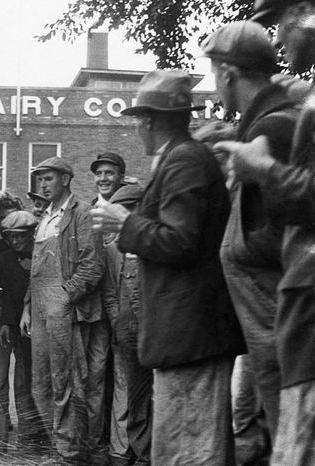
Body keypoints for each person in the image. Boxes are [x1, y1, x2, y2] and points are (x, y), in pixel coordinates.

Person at [92, 70, 245, 465]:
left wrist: (126, 225)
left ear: (148, 120)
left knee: (194, 452)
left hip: (191, 336)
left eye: (139, 121)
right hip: (184, 337)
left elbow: (181, 241)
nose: (138, 129)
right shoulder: (183, 159)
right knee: (181, 450)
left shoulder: (184, 162)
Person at [213, 3, 315, 463]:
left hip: (289, 316)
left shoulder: (274, 125)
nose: (279, 37)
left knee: (293, 440)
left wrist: (266, 171)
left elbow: (284, 231)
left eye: (281, 23)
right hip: (280, 320)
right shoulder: (276, 117)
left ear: (228, 74)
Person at [19, 156, 106, 463]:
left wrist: (65, 297)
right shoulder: (45, 218)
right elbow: (36, 270)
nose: (43, 184)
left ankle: (71, 452)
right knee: (40, 383)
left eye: (49, 178)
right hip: (41, 306)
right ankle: (59, 446)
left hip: (63, 307)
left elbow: (92, 266)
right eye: (40, 179)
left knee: (66, 382)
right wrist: (28, 308)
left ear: (66, 179)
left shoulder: (81, 213)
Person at [0, 210, 46, 452]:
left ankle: (29, 439)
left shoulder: (43, 257)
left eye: (19, 237)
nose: (14, 242)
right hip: (0, 325)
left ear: (31, 234)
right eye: (10, 237)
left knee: (26, 382)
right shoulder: (4, 258)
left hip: (30, 327)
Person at [101, 184, 152, 465]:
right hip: (124, 333)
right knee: (131, 394)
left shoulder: (150, 246)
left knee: (153, 394)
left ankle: (148, 454)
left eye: (128, 209)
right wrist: (117, 320)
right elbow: (110, 292)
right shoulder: (113, 249)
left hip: (153, 333)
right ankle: (130, 451)